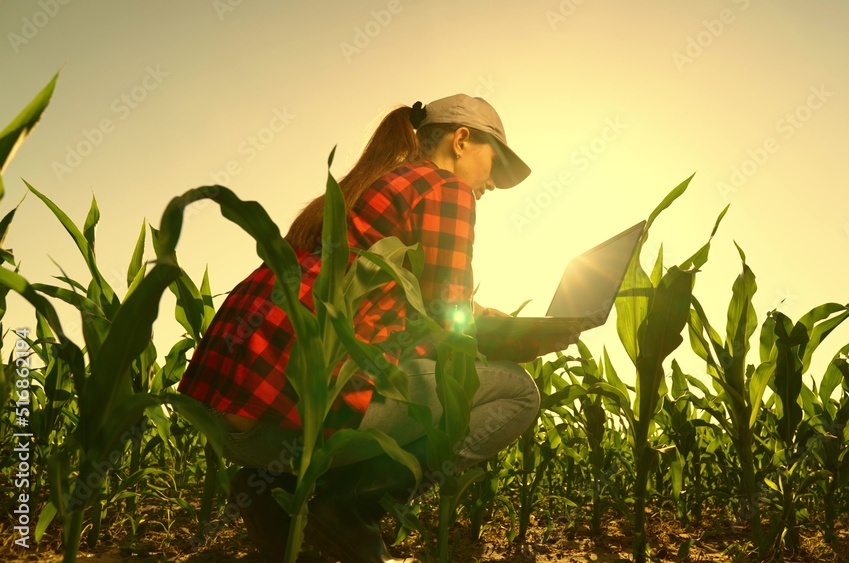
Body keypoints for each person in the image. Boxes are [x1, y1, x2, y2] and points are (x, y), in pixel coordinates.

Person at [179, 94, 579, 562]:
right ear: (462, 141)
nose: (490, 182)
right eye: (493, 164)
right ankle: (347, 508)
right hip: (290, 417)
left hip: (233, 405)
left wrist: (493, 318)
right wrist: (531, 339)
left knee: (410, 367)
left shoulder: (376, 184)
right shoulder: (445, 189)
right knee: (516, 391)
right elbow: (448, 320)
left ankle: (272, 493)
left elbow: (420, 305)